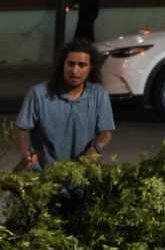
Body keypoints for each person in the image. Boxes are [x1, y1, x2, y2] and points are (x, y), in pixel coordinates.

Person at [15, 40, 115, 168]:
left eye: (82, 65)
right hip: (44, 172)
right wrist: (27, 153)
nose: (74, 71)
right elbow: (23, 130)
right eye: (70, 64)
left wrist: (95, 149)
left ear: (90, 68)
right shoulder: (38, 94)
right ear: (62, 65)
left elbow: (105, 134)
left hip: (81, 171)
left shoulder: (99, 95)